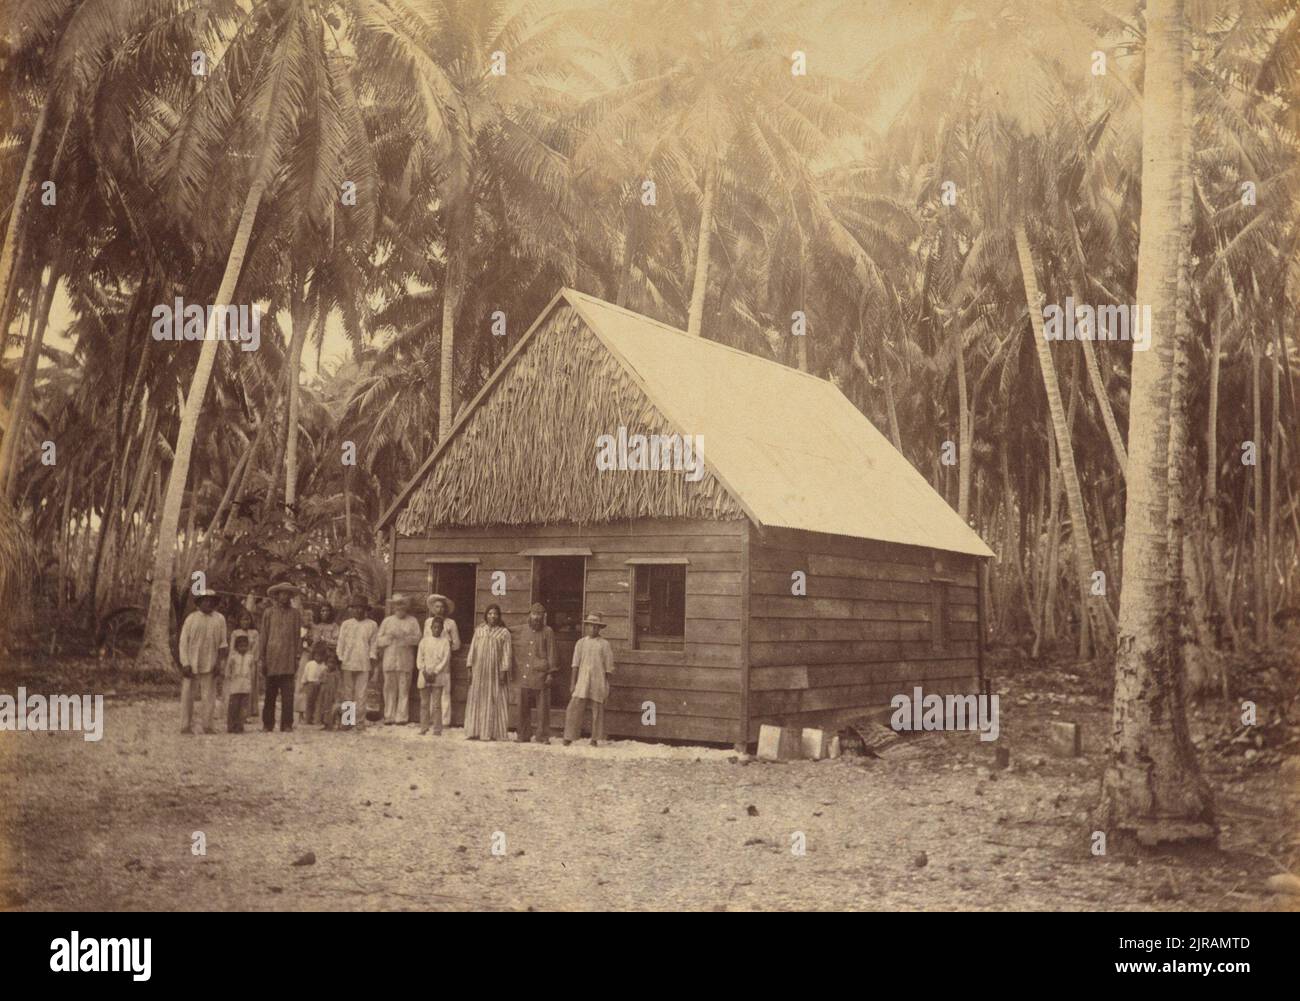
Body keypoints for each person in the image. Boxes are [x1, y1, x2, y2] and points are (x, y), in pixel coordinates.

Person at [178, 589, 227, 735]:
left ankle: (208, 725)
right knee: (187, 694)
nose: (208, 603)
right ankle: (185, 725)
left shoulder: (219, 619)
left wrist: (219, 663)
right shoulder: (191, 619)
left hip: (211, 662)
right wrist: (185, 662)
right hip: (192, 662)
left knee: (209, 695)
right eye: (205, 600)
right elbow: (183, 642)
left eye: (211, 601)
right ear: (199, 602)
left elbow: (223, 644)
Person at [563, 613, 615, 747]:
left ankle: (595, 738)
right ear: (586, 627)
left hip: (598, 680)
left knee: (597, 709)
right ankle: (569, 736)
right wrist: (572, 682)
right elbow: (575, 664)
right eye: (590, 626)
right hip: (583, 680)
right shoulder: (580, 643)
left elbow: (608, 668)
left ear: (599, 628)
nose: (593, 629)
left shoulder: (604, 645)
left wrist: (607, 685)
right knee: (574, 707)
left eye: (596, 627)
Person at [464, 604, 512, 741]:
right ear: (486, 615)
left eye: (495, 614)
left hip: (495, 672)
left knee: (495, 698)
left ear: (499, 616)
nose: (493, 616)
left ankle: (494, 732)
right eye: (490, 613)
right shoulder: (479, 631)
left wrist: (503, 670)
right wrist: (469, 668)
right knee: (477, 697)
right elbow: (473, 650)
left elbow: (506, 653)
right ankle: (474, 730)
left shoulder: (504, 633)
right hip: (479, 670)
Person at [372, 594, 421, 725]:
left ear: (406, 607)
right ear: (393, 607)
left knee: (404, 688)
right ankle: (389, 715)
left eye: (402, 605)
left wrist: (405, 637)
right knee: (389, 688)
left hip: (405, 660)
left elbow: (418, 639)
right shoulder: (387, 621)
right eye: (397, 605)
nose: (399, 608)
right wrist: (389, 638)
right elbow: (378, 640)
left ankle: (402, 717)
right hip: (390, 659)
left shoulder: (412, 621)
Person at [259, 582, 302, 732]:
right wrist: (262, 658)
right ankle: (267, 724)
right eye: (281, 593)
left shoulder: (295, 614)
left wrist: (297, 657)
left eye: (287, 594)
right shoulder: (269, 613)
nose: (284, 596)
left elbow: (298, 637)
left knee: (288, 695)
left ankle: (287, 724)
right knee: (270, 694)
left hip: (288, 659)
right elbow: (264, 635)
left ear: (291, 596)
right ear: (277, 595)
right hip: (272, 658)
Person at [514, 602, 556, 743]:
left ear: (543, 617)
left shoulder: (548, 631)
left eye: (539, 614)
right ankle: (523, 735)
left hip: (541, 674)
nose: (536, 617)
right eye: (534, 614)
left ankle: (543, 736)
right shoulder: (522, 630)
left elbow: (552, 653)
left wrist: (550, 673)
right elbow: (506, 630)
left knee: (543, 707)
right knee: (522, 706)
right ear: (529, 615)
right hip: (524, 673)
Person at [336, 594, 378, 729]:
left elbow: (373, 645)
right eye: (356, 608)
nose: (358, 611)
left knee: (361, 693)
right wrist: (340, 658)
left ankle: (360, 721)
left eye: (361, 608)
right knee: (348, 692)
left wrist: (372, 661)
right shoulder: (346, 624)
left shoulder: (372, 625)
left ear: (365, 610)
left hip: (364, 662)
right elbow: (340, 644)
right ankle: (348, 721)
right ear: (351, 609)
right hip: (348, 662)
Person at [426, 594, 460, 728]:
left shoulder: (450, 623)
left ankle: (444, 720)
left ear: (445, 609)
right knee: (430, 690)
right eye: (437, 607)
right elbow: (425, 640)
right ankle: (431, 719)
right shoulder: (428, 622)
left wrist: (446, 647)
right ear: (433, 608)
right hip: (430, 660)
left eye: (442, 607)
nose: (439, 609)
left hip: (444, 661)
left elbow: (457, 644)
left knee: (445, 691)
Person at [417, 616, 452, 735]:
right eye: (434, 627)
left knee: (436, 704)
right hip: (424, 674)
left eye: (439, 628)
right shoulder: (424, 641)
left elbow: (445, 659)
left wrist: (436, 671)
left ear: (442, 629)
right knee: (424, 703)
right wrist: (424, 670)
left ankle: (437, 729)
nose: (436, 630)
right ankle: (423, 727)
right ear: (431, 628)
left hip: (438, 675)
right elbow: (419, 658)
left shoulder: (445, 642)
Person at [231, 607, 261, 720]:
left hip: (250, 661)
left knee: (249, 686)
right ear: (239, 621)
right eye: (243, 619)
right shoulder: (235, 633)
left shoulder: (254, 633)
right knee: (237, 685)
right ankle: (235, 712)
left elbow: (256, 648)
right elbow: (232, 648)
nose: (246, 622)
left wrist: (251, 658)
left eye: (248, 619)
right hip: (238, 661)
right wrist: (233, 660)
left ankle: (248, 713)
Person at [224, 632, 256, 733]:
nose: (243, 648)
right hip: (235, 685)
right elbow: (228, 669)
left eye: (245, 646)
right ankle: (231, 726)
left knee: (243, 708)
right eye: (240, 646)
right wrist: (228, 676)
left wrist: (252, 679)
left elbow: (253, 670)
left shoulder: (250, 657)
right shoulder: (233, 657)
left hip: (245, 685)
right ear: (237, 647)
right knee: (233, 706)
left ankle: (240, 726)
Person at [302, 641, 329, 724]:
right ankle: (308, 719)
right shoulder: (310, 664)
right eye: (317, 655)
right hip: (310, 685)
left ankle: (317, 719)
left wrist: (321, 682)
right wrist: (304, 682)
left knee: (319, 702)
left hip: (319, 685)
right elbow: (305, 674)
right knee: (309, 702)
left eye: (321, 656)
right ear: (313, 655)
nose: (319, 658)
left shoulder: (324, 666)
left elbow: (324, 677)